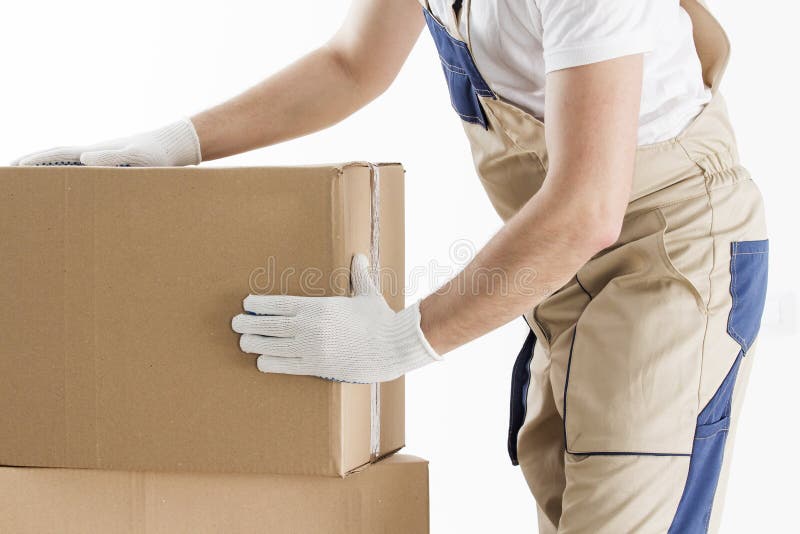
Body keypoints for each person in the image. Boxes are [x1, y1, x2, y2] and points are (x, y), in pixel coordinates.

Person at [12, 0, 768, 532]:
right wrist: (178, 142)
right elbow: (352, 63)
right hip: (562, 266)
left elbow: (586, 208)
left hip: (670, 255)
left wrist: (403, 341)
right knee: (568, 498)